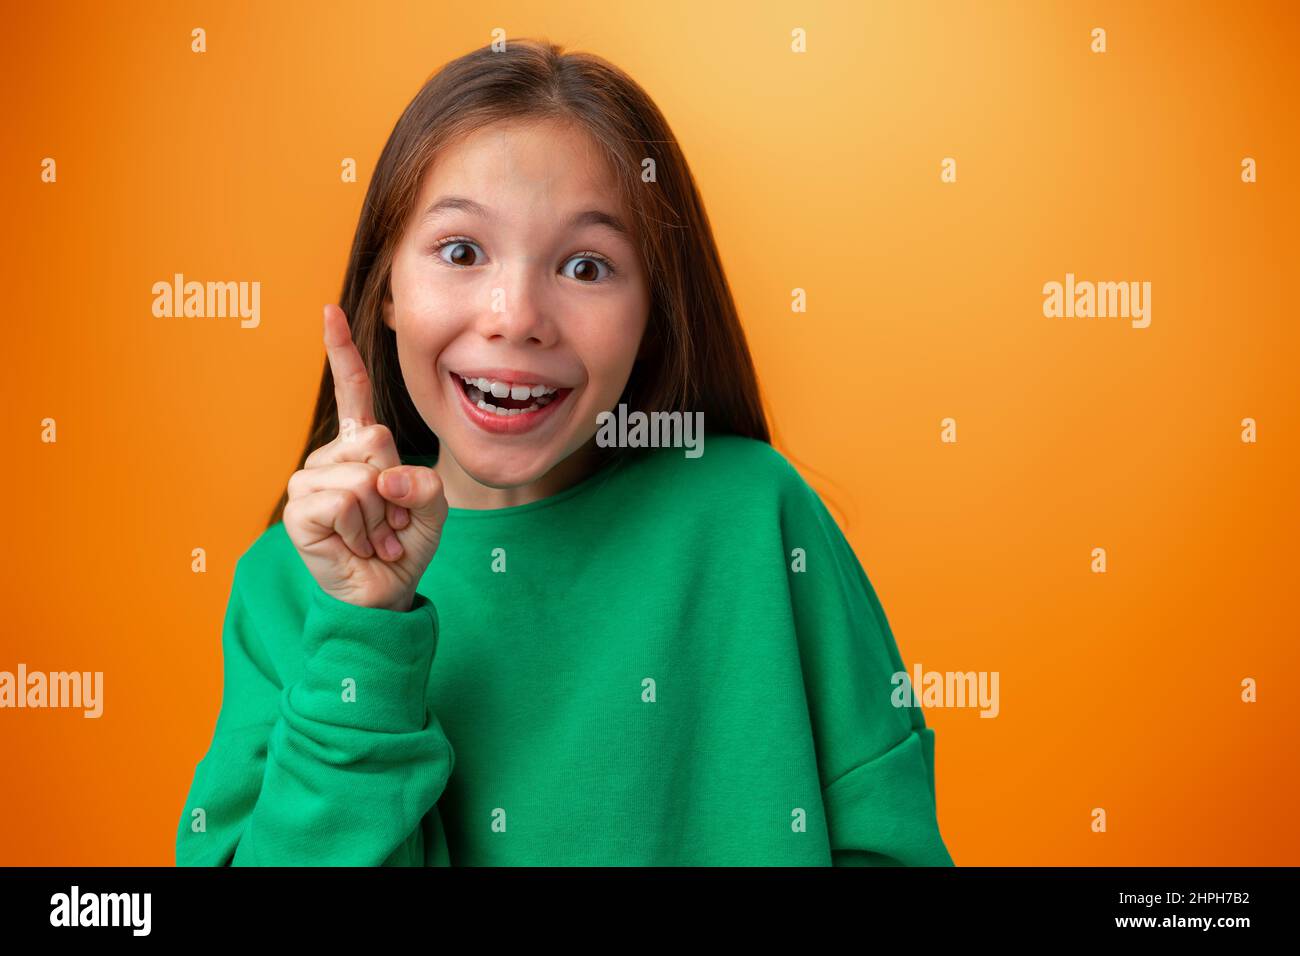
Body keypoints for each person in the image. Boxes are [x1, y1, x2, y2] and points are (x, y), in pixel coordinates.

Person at [174, 38, 955, 867]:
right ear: (388, 288)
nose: (517, 317)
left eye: (587, 266)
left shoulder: (755, 513)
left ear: (653, 313)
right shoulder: (288, 583)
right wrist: (367, 633)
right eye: (462, 251)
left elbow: (890, 842)